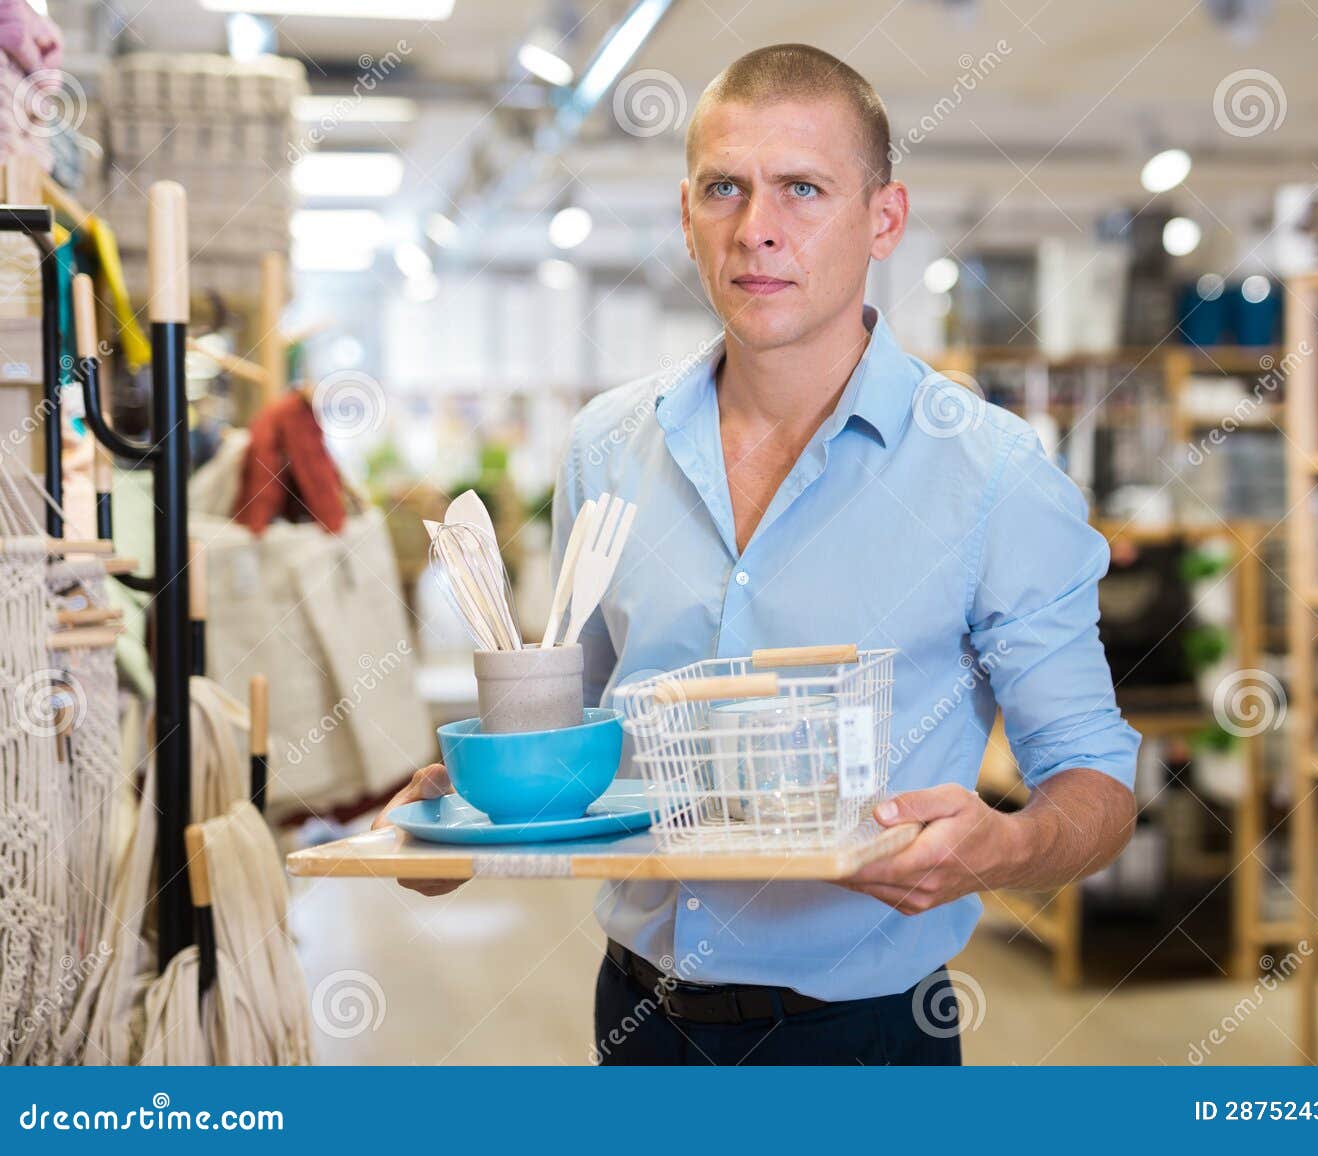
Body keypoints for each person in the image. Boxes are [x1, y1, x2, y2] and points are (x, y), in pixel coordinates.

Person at [376, 42, 1139, 1066]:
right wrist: (468, 809)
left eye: (804, 188)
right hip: (636, 1018)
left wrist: (1002, 845)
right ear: (686, 214)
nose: (757, 228)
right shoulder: (606, 446)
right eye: (723, 187)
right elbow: (579, 732)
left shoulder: (992, 476)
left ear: (884, 219)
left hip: (866, 1042)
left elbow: (1095, 783)